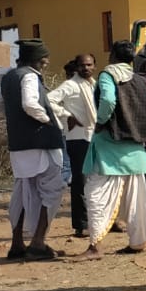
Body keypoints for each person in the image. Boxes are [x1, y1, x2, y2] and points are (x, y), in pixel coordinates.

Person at [74, 40, 146, 260]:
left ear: (112, 56)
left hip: (110, 147)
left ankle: (95, 247)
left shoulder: (107, 76)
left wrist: (101, 121)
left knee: (96, 195)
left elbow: (108, 100)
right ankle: (138, 242)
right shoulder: (142, 81)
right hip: (136, 147)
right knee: (136, 199)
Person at [0, 39, 70, 261]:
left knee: (23, 192)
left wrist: (17, 119)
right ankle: (37, 243)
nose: (46, 62)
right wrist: (48, 120)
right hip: (42, 143)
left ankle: (17, 244)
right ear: (38, 59)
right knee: (52, 191)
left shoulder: (7, 77)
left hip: (19, 145)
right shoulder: (30, 76)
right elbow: (30, 104)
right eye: (45, 59)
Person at [48, 54, 97, 237]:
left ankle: (102, 220)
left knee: (98, 179)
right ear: (77, 67)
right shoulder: (71, 85)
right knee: (80, 180)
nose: (86, 68)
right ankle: (81, 224)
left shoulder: (94, 84)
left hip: (95, 136)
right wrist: (67, 115)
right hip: (77, 138)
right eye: (82, 65)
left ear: (94, 66)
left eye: (89, 65)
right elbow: (49, 100)